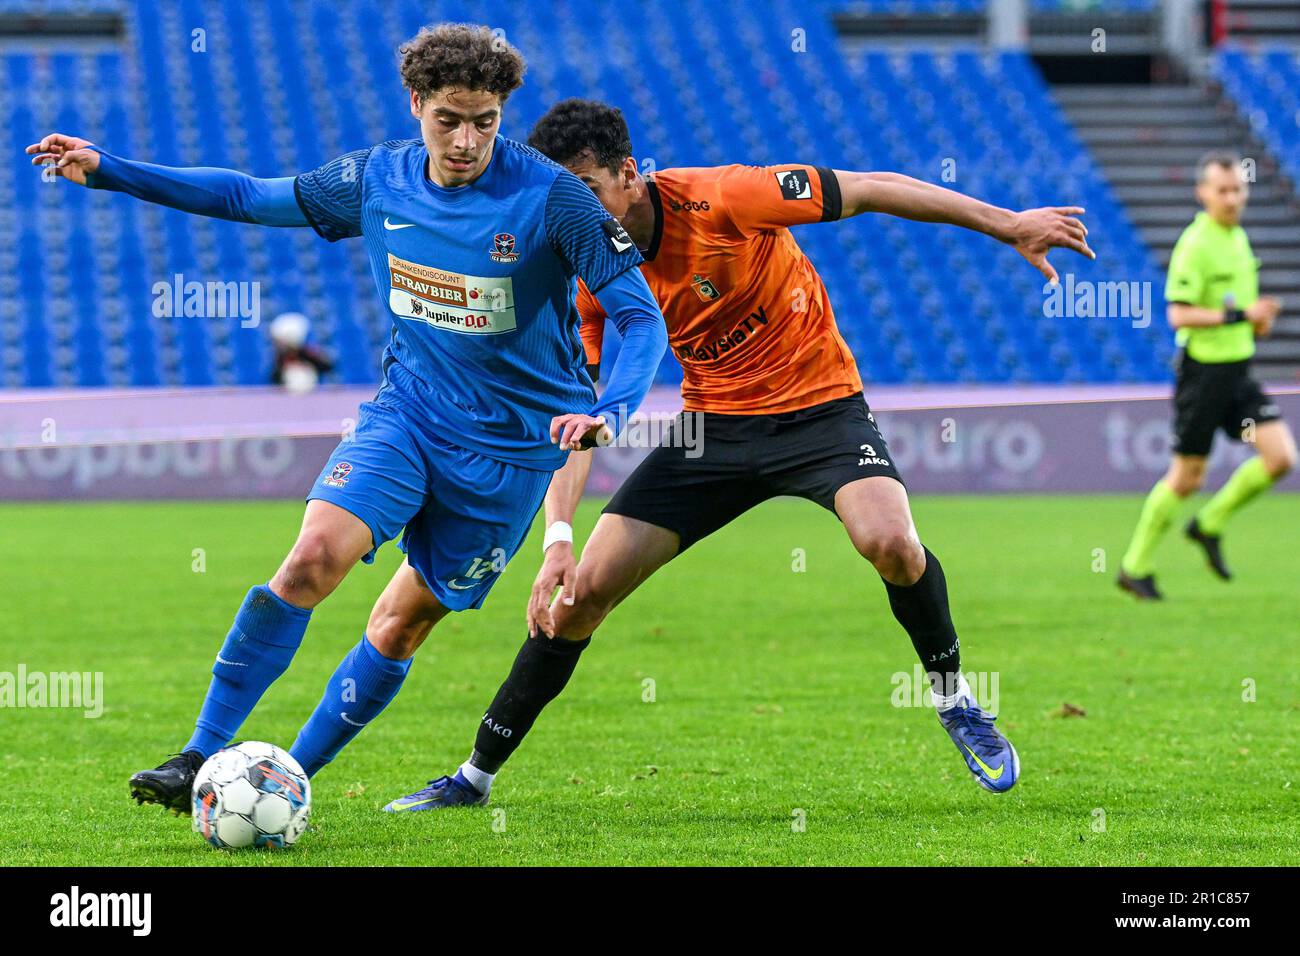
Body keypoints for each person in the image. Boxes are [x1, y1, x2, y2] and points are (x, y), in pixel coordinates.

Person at [382, 98, 1096, 811]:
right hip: (712, 433)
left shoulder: (727, 197)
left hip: (821, 410)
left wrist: (1009, 224)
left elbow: (874, 187)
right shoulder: (588, 278)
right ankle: (474, 778)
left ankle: (954, 698)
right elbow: (580, 417)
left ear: (629, 175)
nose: (577, 213)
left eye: (589, 190)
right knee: (577, 599)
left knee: (892, 545)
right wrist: (557, 538)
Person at [27, 25, 668, 812]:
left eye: (486, 121)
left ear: (502, 113)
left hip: (510, 454)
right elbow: (243, 195)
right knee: (308, 562)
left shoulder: (555, 199)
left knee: (400, 625)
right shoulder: (376, 179)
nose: (467, 140)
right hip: (409, 415)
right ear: (416, 105)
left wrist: (610, 409)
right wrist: (113, 172)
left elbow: (640, 319)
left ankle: (282, 782)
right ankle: (199, 754)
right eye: (449, 119)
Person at [1119, 152, 1295, 600]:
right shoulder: (1195, 244)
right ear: (1203, 193)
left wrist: (1256, 322)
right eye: (1223, 190)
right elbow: (1178, 315)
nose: (1233, 198)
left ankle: (1209, 524)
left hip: (1239, 371)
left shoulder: (1237, 239)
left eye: (1238, 189)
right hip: (1204, 376)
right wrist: (1240, 315)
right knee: (1187, 477)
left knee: (1280, 459)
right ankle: (1134, 566)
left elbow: (1238, 311)